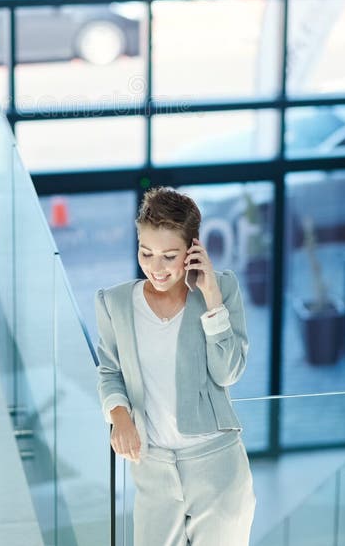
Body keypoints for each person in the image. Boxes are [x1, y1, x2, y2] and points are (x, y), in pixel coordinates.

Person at [94, 186, 256, 546]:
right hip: (153, 468)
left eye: (169, 256)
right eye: (146, 252)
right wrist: (119, 417)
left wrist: (213, 301)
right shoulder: (115, 303)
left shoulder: (222, 289)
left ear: (192, 251)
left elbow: (228, 372)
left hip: (218, 466)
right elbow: (109, 372)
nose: (155, 267)